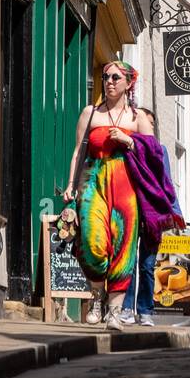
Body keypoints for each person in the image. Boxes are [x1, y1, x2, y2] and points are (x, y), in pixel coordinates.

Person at [63, 61, 153, 330]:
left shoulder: (138, 118)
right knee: (91, 240)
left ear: (129, 82)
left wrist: (129, 141)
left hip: (127, 185)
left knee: (124, 247)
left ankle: (114, 312)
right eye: (105, 77)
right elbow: (78, 151)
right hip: (94, 182)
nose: (110, 81)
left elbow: (154, 155)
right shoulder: (90, 114)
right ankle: (96, 298)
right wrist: (70, 184)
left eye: (116, 77)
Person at [120, 108, 184, 327]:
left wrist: (175, 213)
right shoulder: (127, 146)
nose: (149, 127)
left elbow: (166, 181)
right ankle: (126, 309)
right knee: (129, 263)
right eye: (146, 122)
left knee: (147, 265)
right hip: (130, 210)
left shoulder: (160, 151)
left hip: (153, 214)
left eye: (152, 124)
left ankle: (145, 310)